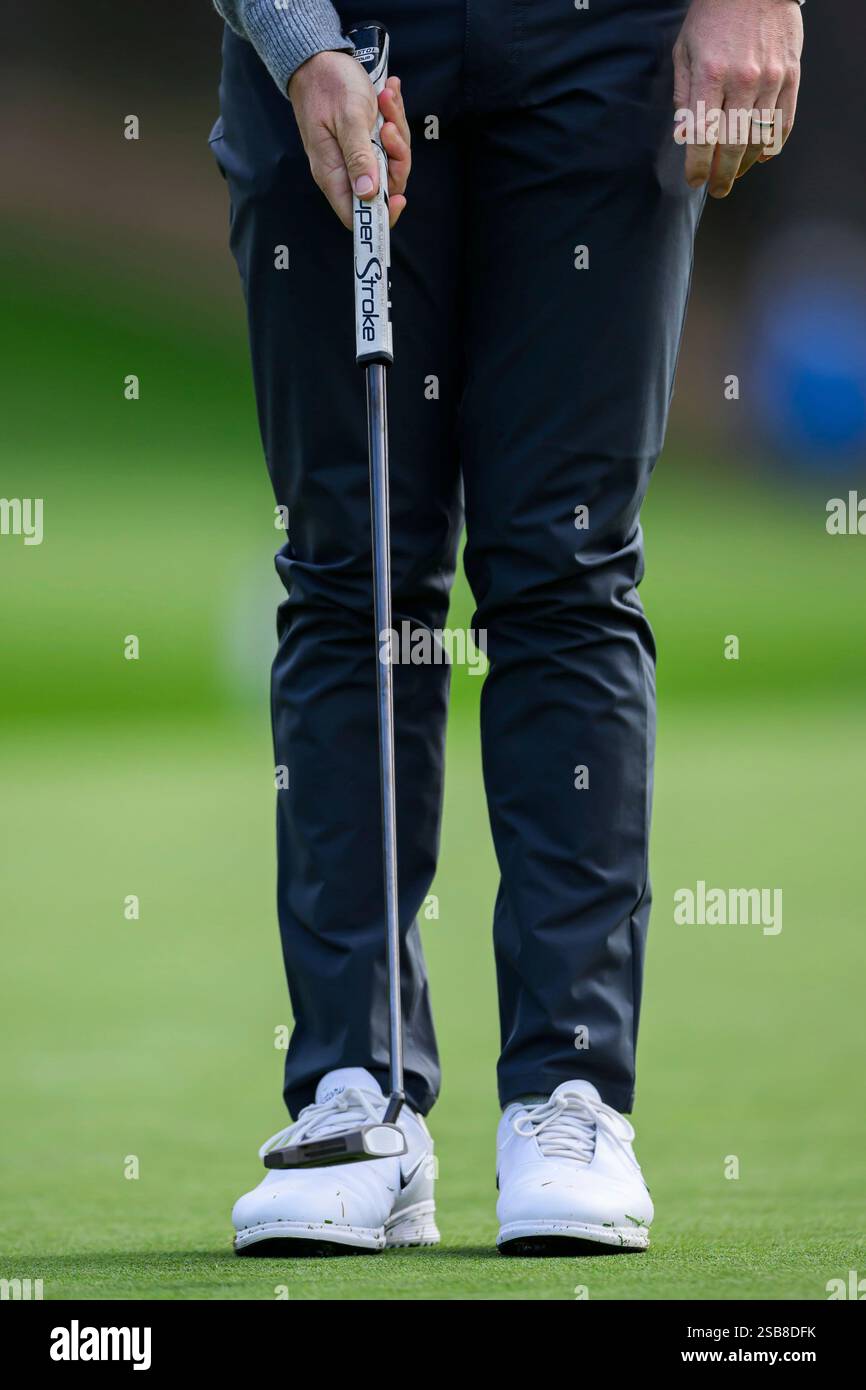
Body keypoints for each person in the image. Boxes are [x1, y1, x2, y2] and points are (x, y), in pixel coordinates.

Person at [209, 0, 803, 1256]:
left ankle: (564, 1098)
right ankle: (355, 1095)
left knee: (566, 562)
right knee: (352, 572)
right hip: (338, 35)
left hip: (604, 38)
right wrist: (295, 43)